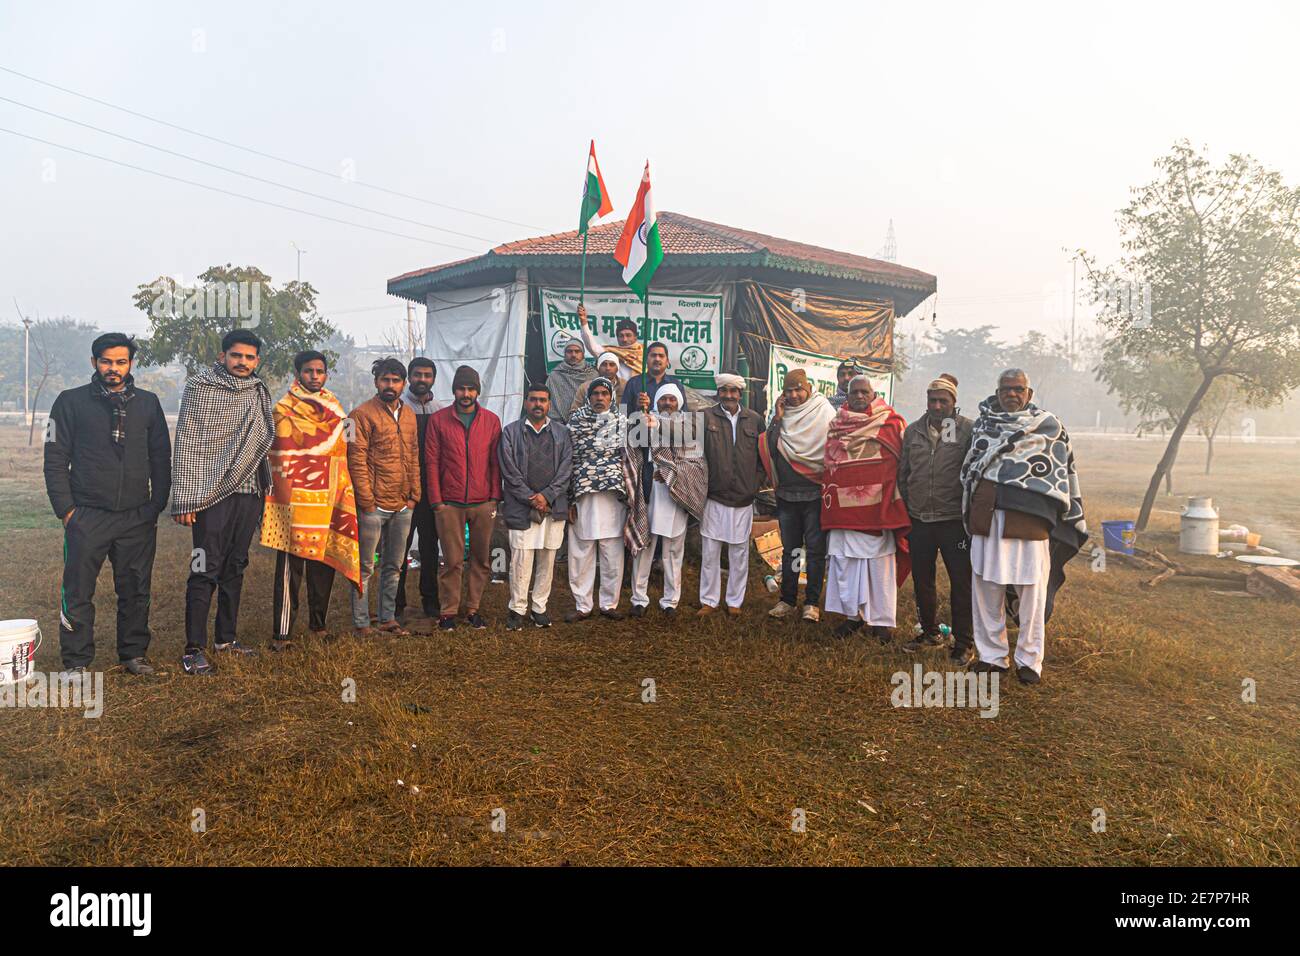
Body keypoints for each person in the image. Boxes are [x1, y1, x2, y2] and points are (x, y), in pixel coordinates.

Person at [43, 332, 171, 675]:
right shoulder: (70, 402)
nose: (113, 368)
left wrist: (155, 504)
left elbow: (161, 456)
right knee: (78, 591)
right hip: (87, 515)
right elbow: (55, 457)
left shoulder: (148, 402)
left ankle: (133, 654)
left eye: (120, 362)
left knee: (135, 589)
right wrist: (67, 511)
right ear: (94, 362)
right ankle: (76, 662)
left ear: (131, 363)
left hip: (136, 516)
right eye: (106, 361)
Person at [960, 369, 1087, 684]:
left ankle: (1029, 661)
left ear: (1029, 394)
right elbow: (971, 470)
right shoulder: (983, 426)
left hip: (1030, 520)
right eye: (1006, 389)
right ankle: (992, 657)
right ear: (998, 391)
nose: (1011, 394)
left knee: (1032, 591)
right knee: (985, 588)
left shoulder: (1048, 427)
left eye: (1018, 389)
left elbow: (1061, 473)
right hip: (988, 516)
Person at [171, 329, 275, 675]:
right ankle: (193, 649)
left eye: (249, 357)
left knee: (236, 566)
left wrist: (266, 488)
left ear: (257, 361)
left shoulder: (259, 390)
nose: (242, 362)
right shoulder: (201, 388)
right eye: (236, 356)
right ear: (222, 356)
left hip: (249, 494)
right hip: (211, 495)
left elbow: (261, 442)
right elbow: (187, 443)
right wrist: (186, 499)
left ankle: (226, 640)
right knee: (204, 569)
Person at [261, 351, 362, 651]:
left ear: (326, 375)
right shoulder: (282, 409)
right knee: (291, 570)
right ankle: (282, 634)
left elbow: (342, 453)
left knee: (323, 565)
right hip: (293, 502)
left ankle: (319, 625)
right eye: (308, 371)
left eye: (320, 371)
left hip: (328, 499)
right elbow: (276, 453)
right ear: (298, 374)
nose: (314, 376)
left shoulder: (336, 410)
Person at [821, 375, 911, 642]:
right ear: (847, 396)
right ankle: (852, 617)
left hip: (879, 509)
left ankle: (882, 622)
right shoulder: (836, 424)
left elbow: (903, 462)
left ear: (873, 394)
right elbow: (830, 462)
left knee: (879, 567)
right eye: (854, 392)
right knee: (845, 564)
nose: (859, 396)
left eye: (864, 392)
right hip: (843, 508)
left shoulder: (891, 422)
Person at [897, 373, 975, 663]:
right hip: (920, 520)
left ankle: (964, 642)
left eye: (944, 400)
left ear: (954, 402)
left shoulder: (967, 430)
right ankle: (930, 633)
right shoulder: (914, 431)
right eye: (933, 400)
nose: (938, 405)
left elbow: (972, 475)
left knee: (961, 581)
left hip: (954, 520)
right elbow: (904, 473)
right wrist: (908, 504)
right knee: (922, 580)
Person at [347, 357, 421, 637]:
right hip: (373, 505)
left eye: (396, 381)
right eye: (385, 380)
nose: (390, 385)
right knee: (364, 566)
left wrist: (415, 495)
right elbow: (356, 460)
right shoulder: (359, 415)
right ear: (376, 382)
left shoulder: (409, 414)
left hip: (403, 503)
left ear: (403, 384)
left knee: (394, 565)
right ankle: (362, 622)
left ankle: (388, 618)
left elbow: (413, 455)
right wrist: (366, 501)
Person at [426, 365, 502, 631]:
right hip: (450, 503)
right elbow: (432, 462)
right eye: (461, 388)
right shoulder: (439, 420)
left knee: (481, 559)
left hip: (483, 503)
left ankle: (473, 609)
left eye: (471, 389)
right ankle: (448, 611)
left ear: (478, 391)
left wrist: (494, 497)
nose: (466, 393)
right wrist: (437, 501)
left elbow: (495, 462)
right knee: (452, 560)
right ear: (454, 390)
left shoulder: (491, 420)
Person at [625, 384, 707, 617]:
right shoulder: (646, 420)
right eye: (663, 399)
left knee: (673, 551)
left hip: (676, 493)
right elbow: (633, 449)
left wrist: (672, 473)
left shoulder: (690, 425)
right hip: (650, 490)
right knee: (645, 547)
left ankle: (670, 601)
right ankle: (638, 599)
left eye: (672, 399)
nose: (668, 403)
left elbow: (696, 464)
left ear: (679, 402)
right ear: (656, 402)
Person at [761, 369, 835, 623]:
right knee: (791, 551)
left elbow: (834, 448)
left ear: (809, 388)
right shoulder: (782, 416)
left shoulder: (823, 410)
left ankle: (812, 603)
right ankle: (788, 600)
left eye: (798, 390)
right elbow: (770, 448)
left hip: (815, 494)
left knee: (815, 551)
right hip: (787, 496)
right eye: (789, 390)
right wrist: (778, 418)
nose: (793, 395)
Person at [499, 383, 573, 630]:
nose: (538, 404)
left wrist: (547, 496)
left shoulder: (562, 433)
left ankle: (539, 607)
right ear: (525, 402)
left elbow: (566, 469)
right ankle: (517, 609)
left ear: (549, 404)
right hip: (522, 506)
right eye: (533, 400)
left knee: (548, 558)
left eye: (542, 400)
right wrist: (533, 498)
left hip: (553, 506)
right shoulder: (510, 432)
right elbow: (509, 471)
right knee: (521, 558)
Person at [698, 372, 764, 618]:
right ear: (718, 392)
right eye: (724, 390)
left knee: (739, 553)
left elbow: (763, 459)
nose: (728, 395)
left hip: (743, 498)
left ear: (740, 393)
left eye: (733, 391)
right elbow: (696, 455)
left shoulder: (754, 420)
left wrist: (754, 485)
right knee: (710, 551)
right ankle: (709, 600)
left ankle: (734, 601)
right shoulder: (705, 417)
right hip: (714, 497)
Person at [565, 377, 628, 621]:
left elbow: (630, 462)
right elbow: (567, 461)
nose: (600, 398)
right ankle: (583, 604)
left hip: (613, 497)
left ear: (611, 397)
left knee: (612, 552)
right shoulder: (575, 423)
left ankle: (609, 604)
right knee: (581, 551)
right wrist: (569, 499)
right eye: (595, 394)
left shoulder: (622, 423)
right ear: (588, 397)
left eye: (604, 393)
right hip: (582, 495)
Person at [395, 357, 443, 624]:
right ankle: (397, 605)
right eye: (417, 374)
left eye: (427, 375)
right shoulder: (399, 409)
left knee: (429, 548)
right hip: (403, 491)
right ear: (409, 378)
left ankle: (431, 602)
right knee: (399, 550)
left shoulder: (441, 410)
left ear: (433, 378)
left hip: (432, 491)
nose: (421, 379)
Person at [578, 303, 641, 385]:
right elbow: (593, 348)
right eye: (621, 336)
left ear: (635, 337)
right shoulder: (612, 353)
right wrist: (584, 322)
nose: (624, 339)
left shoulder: (644, 354)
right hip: (616, 394)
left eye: (628, 335)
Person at [546, 338, 596, 424]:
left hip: (589, 425)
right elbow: (549, 405)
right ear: (564, 354)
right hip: (559, 426)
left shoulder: (593, 375)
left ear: (583, 354)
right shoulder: (554, 376)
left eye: (577, 351)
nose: (573, 355)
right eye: (569, 351)